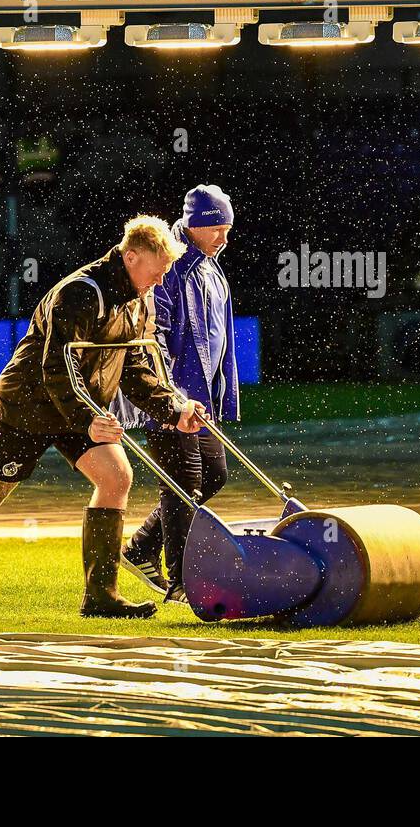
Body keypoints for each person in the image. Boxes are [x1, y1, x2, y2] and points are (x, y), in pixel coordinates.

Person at [0, 214, 207, 620]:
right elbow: (57, 366)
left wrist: (174, 410)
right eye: (157, 272)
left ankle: (101, 596)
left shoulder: (140, 300)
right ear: (132, 256)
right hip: (29, 407)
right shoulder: (80, 293)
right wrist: (89, 417)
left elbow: (137, 367)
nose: (160, 282)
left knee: (117, 477)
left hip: (78, 410)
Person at [118, 185, 239, 603]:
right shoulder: (170, 265)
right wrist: (168, 398)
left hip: (201, 398)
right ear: (194, 226)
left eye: (227, 229)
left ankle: (139, 547)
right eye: (216, 229)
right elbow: (157, 336)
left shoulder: (210, 266)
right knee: (183, 483)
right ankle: (181, 583)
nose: (223, 238)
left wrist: (224, 395)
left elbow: (222, 340)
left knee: (213, 475)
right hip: (171, 399)